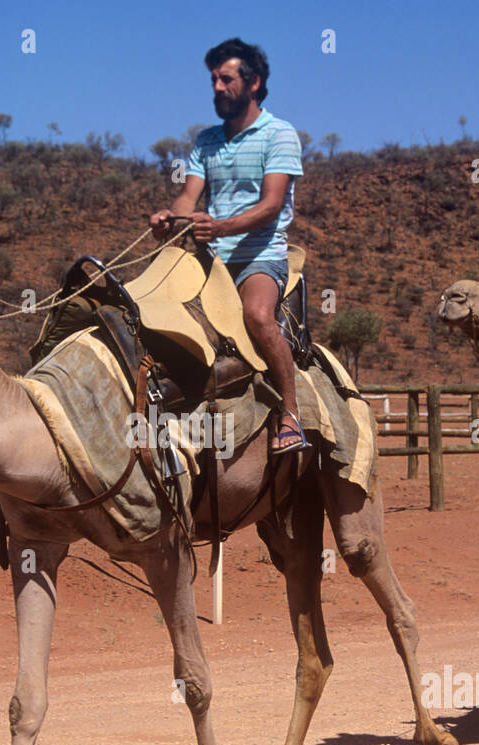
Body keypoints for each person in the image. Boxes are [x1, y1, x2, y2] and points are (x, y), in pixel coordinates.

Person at [149, 37, 307, 454]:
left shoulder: (280, 135)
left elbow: (272, 205)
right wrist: (170, 218)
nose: (217, 87)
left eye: (226, 79)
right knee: (156, 315)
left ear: (253, 83)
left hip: (260, 256)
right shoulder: (206, 141)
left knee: (256, 315)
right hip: (211, 259)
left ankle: (291, 414)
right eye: (213, 80)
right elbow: (188, 197)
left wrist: (219, 228)